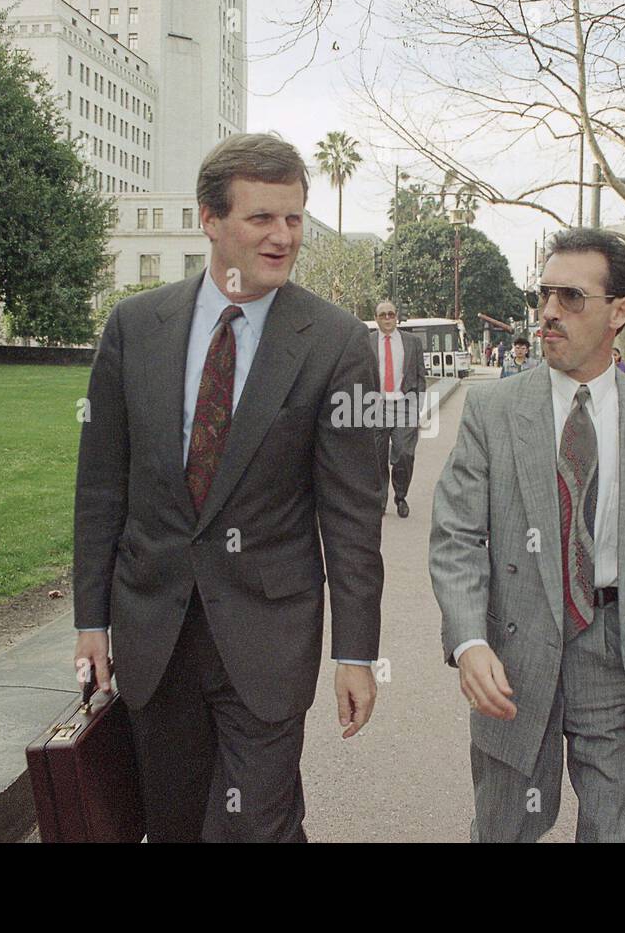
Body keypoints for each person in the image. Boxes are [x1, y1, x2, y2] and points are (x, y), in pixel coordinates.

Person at [72, 133, 384, 842]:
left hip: (268, 640)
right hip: (155, 635)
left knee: (251, 826)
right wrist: (91, 621)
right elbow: (100, 491)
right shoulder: (135, 328)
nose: (283, 237)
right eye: (262, 219)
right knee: (177, 825)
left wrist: (356, 652)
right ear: (211, 219)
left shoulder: (334, 342)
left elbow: (351, 515)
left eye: (294, 219)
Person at [430, 227, 625, 842]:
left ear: (621, 312)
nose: (549, 312)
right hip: (513, 650)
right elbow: (455, 536)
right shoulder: (492, 411)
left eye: (571, 298)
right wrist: (469, 639)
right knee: (506, 827)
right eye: (544, 295)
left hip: (616, 652)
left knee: (611, 829)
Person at [370, 299, 428, 518]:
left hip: (405, 405)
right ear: (376, 319)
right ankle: (380, 499)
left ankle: (400, 495)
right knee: (377, 456)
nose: (387, 318)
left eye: (391, 314)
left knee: (404, 453)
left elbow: (421, 375)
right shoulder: (367, 342)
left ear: (397, 317)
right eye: (383, 315)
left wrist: (417, 406)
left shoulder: (412, 342)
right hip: (376, 407)